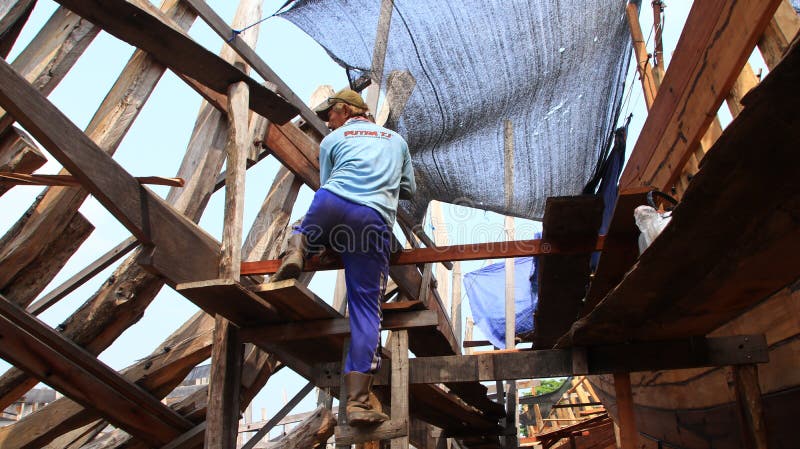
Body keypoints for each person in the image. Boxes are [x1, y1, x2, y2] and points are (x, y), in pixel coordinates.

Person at [271, 88, 416, 426]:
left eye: (330, 115)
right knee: (366, 310)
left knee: (309, 224)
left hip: (330, 205)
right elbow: (408, 190)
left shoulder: (332, 142)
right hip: (371, 220)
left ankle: (298, 247)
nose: (328, 121)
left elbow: (329, 181)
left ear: (346, 110)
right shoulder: (396, 141)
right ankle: (358, 403)